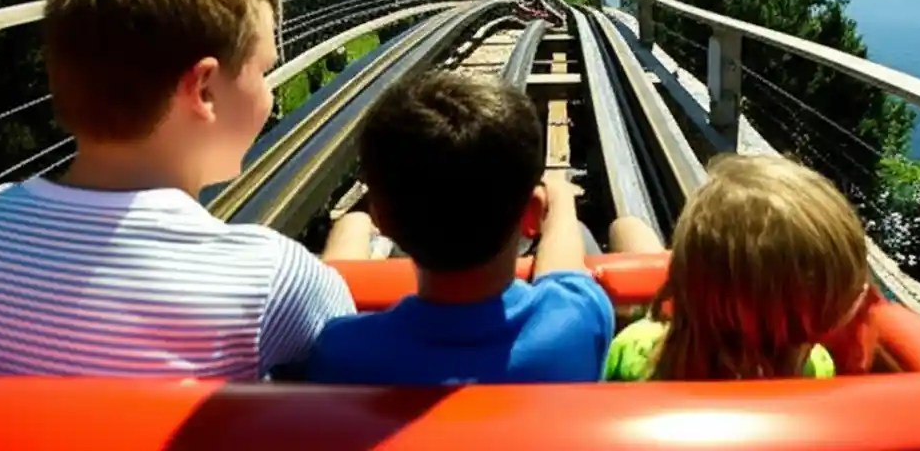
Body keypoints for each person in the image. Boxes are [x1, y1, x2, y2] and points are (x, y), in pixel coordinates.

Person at [0, 0, 367, 380]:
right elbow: (357, 363)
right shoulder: (273, 279)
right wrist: (346, 250)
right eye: (263, 71)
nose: (268, 95)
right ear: (204, 90)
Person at [307, 71, 614, 385]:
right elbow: (564, 268)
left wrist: (354, 222)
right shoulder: (577, 321)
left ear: (382, 220)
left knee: (352, 225)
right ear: (532, 216)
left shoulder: (339, 350)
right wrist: (559, 198)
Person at [603, 154, 871, 382]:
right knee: (630, 229)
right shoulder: (817, 367)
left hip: (670, 341)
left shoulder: (634, 348)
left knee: (626, 226)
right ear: (833, 315)